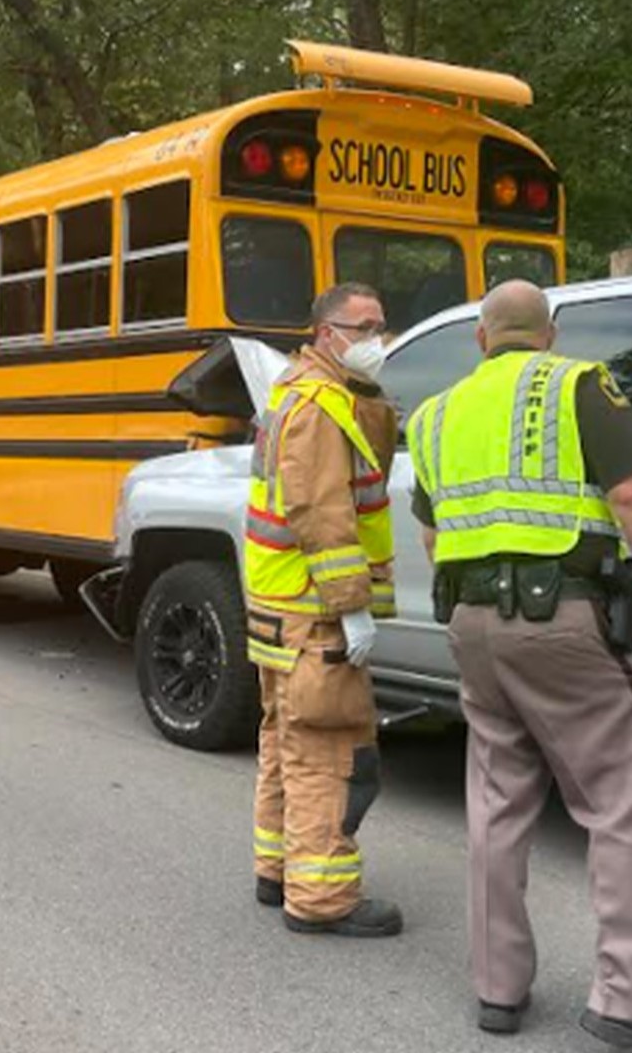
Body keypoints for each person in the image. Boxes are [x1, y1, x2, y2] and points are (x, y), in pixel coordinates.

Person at [407, 281, 632, 1052]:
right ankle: (631, 1003)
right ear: (547, 334)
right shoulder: (576, 382)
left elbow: (432, 533)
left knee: (497, 800)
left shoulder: (434, 415)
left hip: (473, 626)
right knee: (619, 803)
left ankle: (496, 988)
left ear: (481, 340)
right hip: (563, 621)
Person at [246, 282, 404, 937]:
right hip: (314, 612)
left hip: (279, 604)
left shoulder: (300, 394)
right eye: (362, 327)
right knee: (328, 750)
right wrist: (352, 608)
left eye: (381, 325)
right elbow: (321, 513)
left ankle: (277, 868)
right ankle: (322, 899)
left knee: (285, 739)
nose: (376, 338)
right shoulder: (318, 407)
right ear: (324, 332)